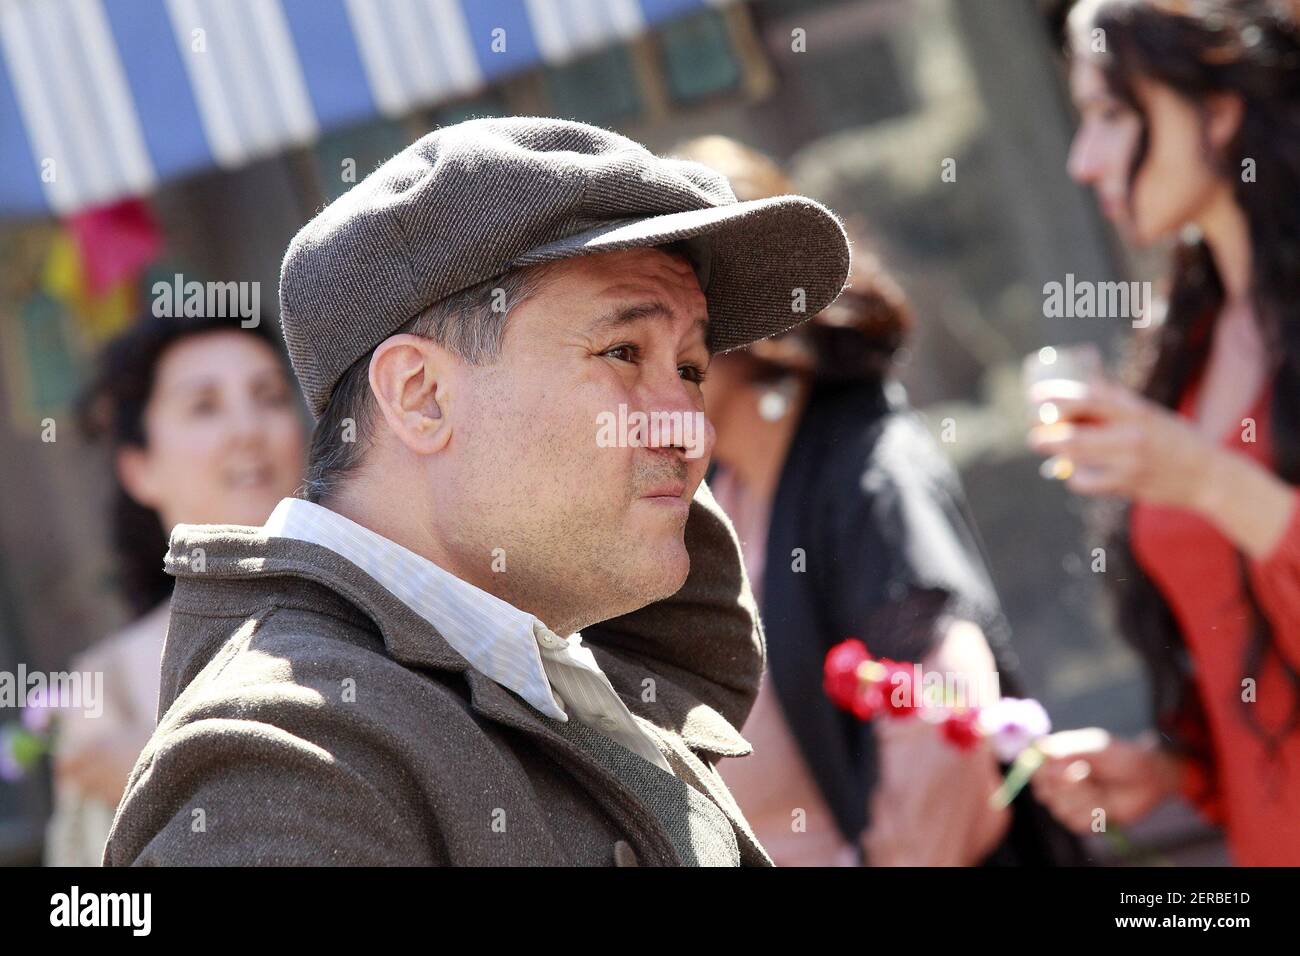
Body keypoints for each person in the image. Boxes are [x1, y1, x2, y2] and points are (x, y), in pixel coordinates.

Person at [102, 116, 851, 866]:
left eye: (689, 369)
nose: (693, 429)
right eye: (622, 352)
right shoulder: (285, 762)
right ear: (422, 395)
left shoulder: (572, 674)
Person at [676, 136, 1084, 866]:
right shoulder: (719, 492)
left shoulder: (867, 470)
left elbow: (943, 721)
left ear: (742, 320)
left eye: (662, 325)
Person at [1029, 0, 1300, 865]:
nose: (1082, 159)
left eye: (1112, 114)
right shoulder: (1192, 343)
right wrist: (1171, 772)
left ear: (1218, 113)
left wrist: (1211, 483)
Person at [46, 314, 306, 866]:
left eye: (270, 396)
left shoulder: (383, 602)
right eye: (204, 406)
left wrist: (158, 774)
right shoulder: (106, 685)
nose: (247, 429)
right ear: (139, 468)